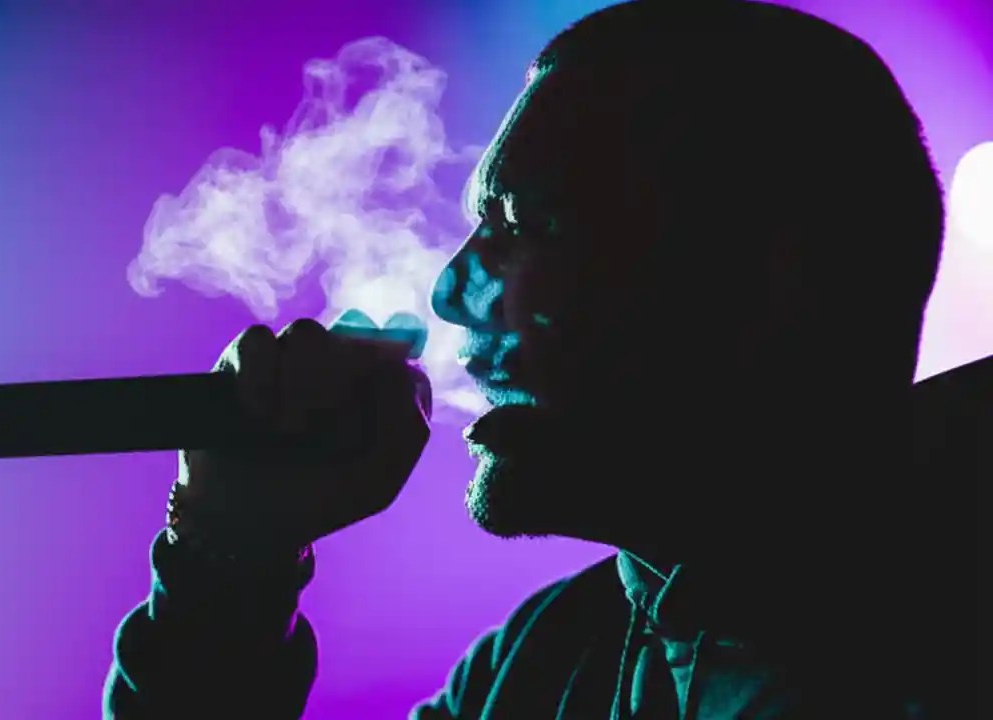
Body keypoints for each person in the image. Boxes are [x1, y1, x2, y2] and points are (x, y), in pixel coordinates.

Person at [104, 0, 970, 717]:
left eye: (522, 224)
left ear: (777, 276)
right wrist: (232, 553)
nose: (450, 293)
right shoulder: (536, 670)